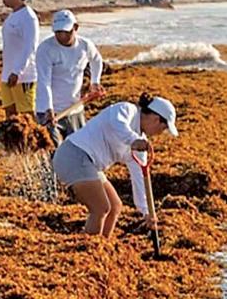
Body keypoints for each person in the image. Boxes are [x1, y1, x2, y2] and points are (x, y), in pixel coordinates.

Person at [52, 93, 178, 237]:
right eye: (163, 129)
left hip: (91, 164)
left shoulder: (140, 144)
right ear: (156, 120)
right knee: (100, 208)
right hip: (73, 154)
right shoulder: (127, 110)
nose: (160, 133)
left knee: (115, 206)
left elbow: (140, 179)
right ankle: (89, 248)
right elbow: (118, 125)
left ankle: (103, 245)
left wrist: (146, 213)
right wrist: (133, 140)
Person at [35, 10, 104, 145]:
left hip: (74, 108)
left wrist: (95, 82)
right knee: (53, 151)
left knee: (80, 147)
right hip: (49, 112)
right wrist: (49, 109)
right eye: (58, 32)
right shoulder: (45, 49)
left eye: (66, 32)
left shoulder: (85, 46)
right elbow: (44, 81)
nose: (61, 36)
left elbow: (96, 60)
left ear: (75, 28)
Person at [0, 0, 39, 117]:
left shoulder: (28, 17)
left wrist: (17, 71)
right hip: (7, 73)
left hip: (23, 76)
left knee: (26, 115)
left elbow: (30, 47)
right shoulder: (13, 16)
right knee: (10, 113)